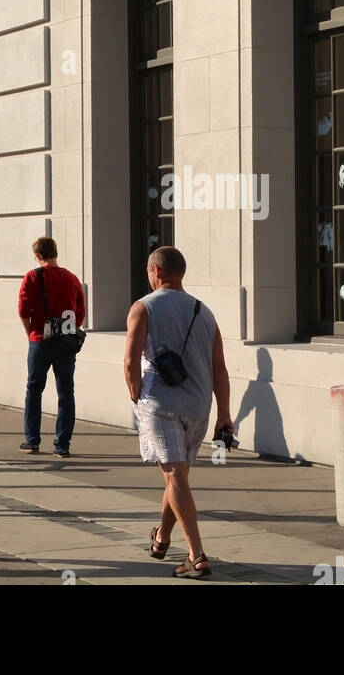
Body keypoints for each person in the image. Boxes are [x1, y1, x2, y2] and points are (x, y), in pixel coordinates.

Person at [123, 245, 232, 580]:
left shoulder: (143, 307)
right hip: (199, 406)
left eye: (148, 271)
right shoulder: (205, 312)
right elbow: (219, 368)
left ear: (157, 271)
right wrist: (224, 415)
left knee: (175, 477)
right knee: (177, 477)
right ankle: (162, 538)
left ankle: (197, 556)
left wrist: (136, 399)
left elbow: (130, 361)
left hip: (160, 404)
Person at [17, 236, 86, 457]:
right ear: (56, 252)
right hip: (65, 341)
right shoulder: (72, 278)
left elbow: (23, 311)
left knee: (34, 389)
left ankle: (32, 441)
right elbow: (80, 313)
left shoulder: (32, 276)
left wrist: (31, 334)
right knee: (66, 392)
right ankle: (62, 445)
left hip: (40, 340)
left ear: (38, 256)